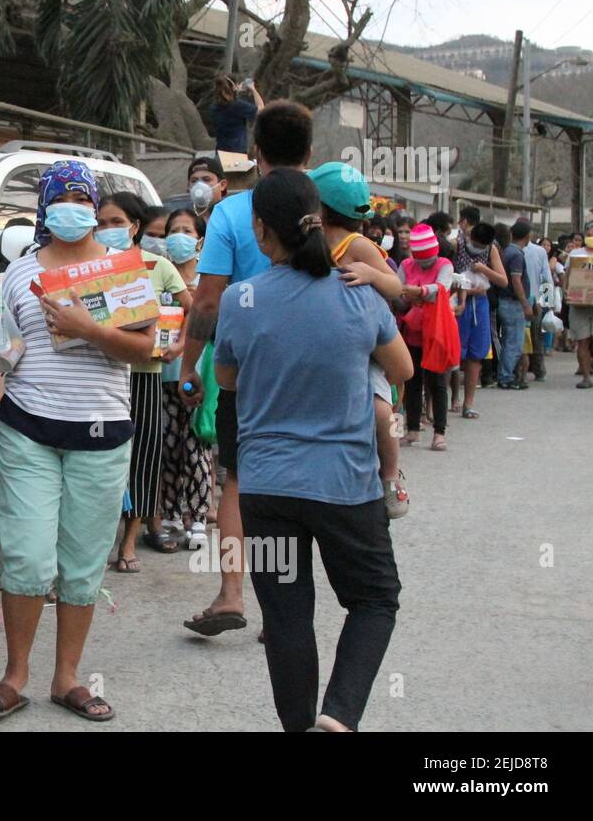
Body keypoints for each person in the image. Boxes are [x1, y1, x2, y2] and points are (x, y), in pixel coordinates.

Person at [214, 168, 412, 732]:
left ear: (260, 230)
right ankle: (339, 716)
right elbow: (402, 368)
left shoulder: (240, 298)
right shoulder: (359, 292)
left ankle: (300, 727)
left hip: (266, 487)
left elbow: (226, 379)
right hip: (345, 484)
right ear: (320, 220)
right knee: (375, 599)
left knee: (286, 616)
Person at [0, 160, 154, 723]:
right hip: (28, 431)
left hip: (101, 435)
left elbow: (144, 349)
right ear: (46, 206)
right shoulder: (18, 274)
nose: (74, 205)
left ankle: (66, 678)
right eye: (64, 196)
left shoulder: (121, 269)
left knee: (81, 566)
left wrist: (88, 329)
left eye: (83, 196)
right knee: (25, 559)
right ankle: (14, 675)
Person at [178, 100, 313, 638]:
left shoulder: (233, 212)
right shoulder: (319, 204)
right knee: (302, 477)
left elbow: (207, 302)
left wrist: (190, 367)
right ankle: (286, 605)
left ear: (255, 152)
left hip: (242, 369)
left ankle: (232, 593)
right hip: (311, 363)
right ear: (308, 153)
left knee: (237, 478)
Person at [96, 192, 189, 573]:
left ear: (134, 227)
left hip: (145, 375)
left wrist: (180, 345)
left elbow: (191, 308)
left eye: (115, 223)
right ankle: (95, 540)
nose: (107, 230)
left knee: (144, 455)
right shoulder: (90, 267)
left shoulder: (159, 265)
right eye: (100, 223)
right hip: (100, 376)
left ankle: (129, 540)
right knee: (100, 458)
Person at [309, 162, 408, 516]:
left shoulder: (359, 245)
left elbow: (397, 286)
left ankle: (391, 477)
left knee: (383, 412)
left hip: (367, 349)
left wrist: (370, 273)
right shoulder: (309, 242)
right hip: (323, 342)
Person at [155, 208, 214, 551]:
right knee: (169, 445)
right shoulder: (158, 276)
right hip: (161, 374)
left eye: (186, 231)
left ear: (200, 240)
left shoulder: (210, 280)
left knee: (196, 444)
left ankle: (199, 515)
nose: (179, 236)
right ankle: (172, 514)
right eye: (172, 231)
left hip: (195, 372)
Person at [396, 224, 456, 451]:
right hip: (411, 332)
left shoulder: (444, 265)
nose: (422, 265)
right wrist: (416, 295)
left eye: (427, 261)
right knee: (411, 381)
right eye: (419, 260)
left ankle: (439, 433)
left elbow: (441, 288)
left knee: (437, 383)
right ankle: (412, 429)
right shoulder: (405, 265)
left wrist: (417, 292)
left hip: (436, 333)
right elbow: (396, 289)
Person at [449, 221, 507, 418]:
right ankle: (453, 397)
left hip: (480, 305)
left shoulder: (491, 250)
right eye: (476, 244)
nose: (478, 248)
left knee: (475, 355)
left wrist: (484, 270)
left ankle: (468, 403)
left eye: (482, 246)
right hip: (456, 301)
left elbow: (503, 280)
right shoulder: (456, 244)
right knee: (453, 353)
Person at [495, 220, 532, 390]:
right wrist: (525, 304)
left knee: (508, 340)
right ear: (527, 236)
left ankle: (504, 374)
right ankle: (506, 377)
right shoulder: (517, 254)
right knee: (514, 342)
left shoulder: (507, 251)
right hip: (512, 302)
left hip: (503, 300)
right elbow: (516, 280)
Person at [564, 221, 593, 388]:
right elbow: (567, 273)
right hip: (579, 306)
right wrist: (565, 290)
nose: (592, 238)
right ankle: (586, 377)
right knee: (583, 341)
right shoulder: (576, 254)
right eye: (590, 235)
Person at [521, 224, 552, 382]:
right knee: (536, 337)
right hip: (536, 301)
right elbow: (546, 278)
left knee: (517, 338)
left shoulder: (509, 249)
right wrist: (547, 303)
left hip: (517, 301)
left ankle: (518, 372)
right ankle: (539, 371)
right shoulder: (540, 251)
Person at [209, 75, 264, 154]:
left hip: (220, 154)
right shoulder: (238, 106)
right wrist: (253, 89)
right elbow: (261, 109)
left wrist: (236, 91)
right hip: (237, 155)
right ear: (233, 87)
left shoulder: (213, 108)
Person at [185, 155, 229, 223]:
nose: (199, 185)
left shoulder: (232, 216)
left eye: (206, 180)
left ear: (222, 185)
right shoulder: (183, 220)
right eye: (194, 181)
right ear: (188, 186)